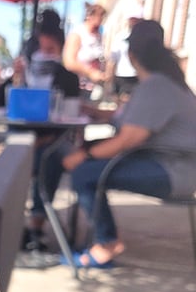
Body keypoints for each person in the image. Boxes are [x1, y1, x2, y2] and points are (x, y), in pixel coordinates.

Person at [62, 19, 196, 268]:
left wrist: (83, 156)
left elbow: (127, 140)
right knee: (88, 161)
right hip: (176, 166)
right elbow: (125, 120)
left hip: (174, 173)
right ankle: (98, 238)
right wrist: (92, 112)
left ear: (132, 55)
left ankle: (107, 243)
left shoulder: (156, 86)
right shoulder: (166, 83)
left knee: (84, 172)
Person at [0, 23, 80, 255]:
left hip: (50, 141)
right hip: (19, 140)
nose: (44, 54)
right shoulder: (21, 75)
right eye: (41, 48)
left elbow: (70, 118)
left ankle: (36, 225)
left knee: (48, 160)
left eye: (51, 49)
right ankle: (5, 223)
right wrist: (16, 79)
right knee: (10, 159)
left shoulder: (68, 78)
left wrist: (41, 140)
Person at [63, 2, 109, 101]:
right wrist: (90, 73)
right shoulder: (77, 34)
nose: (101, 20)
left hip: (94, 88)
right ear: (89, 16)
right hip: (78, 87)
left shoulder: (98, 36)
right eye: (99, 16)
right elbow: (69, 62)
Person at [109, 7, 143, 106]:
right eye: (132, 19)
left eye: (136, 19)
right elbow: (113, 59)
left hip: (135, 76)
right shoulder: (120, 37)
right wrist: (110, 79)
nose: (133, 22)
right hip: (121, 75)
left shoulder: (143, 38)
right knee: (121, 104)